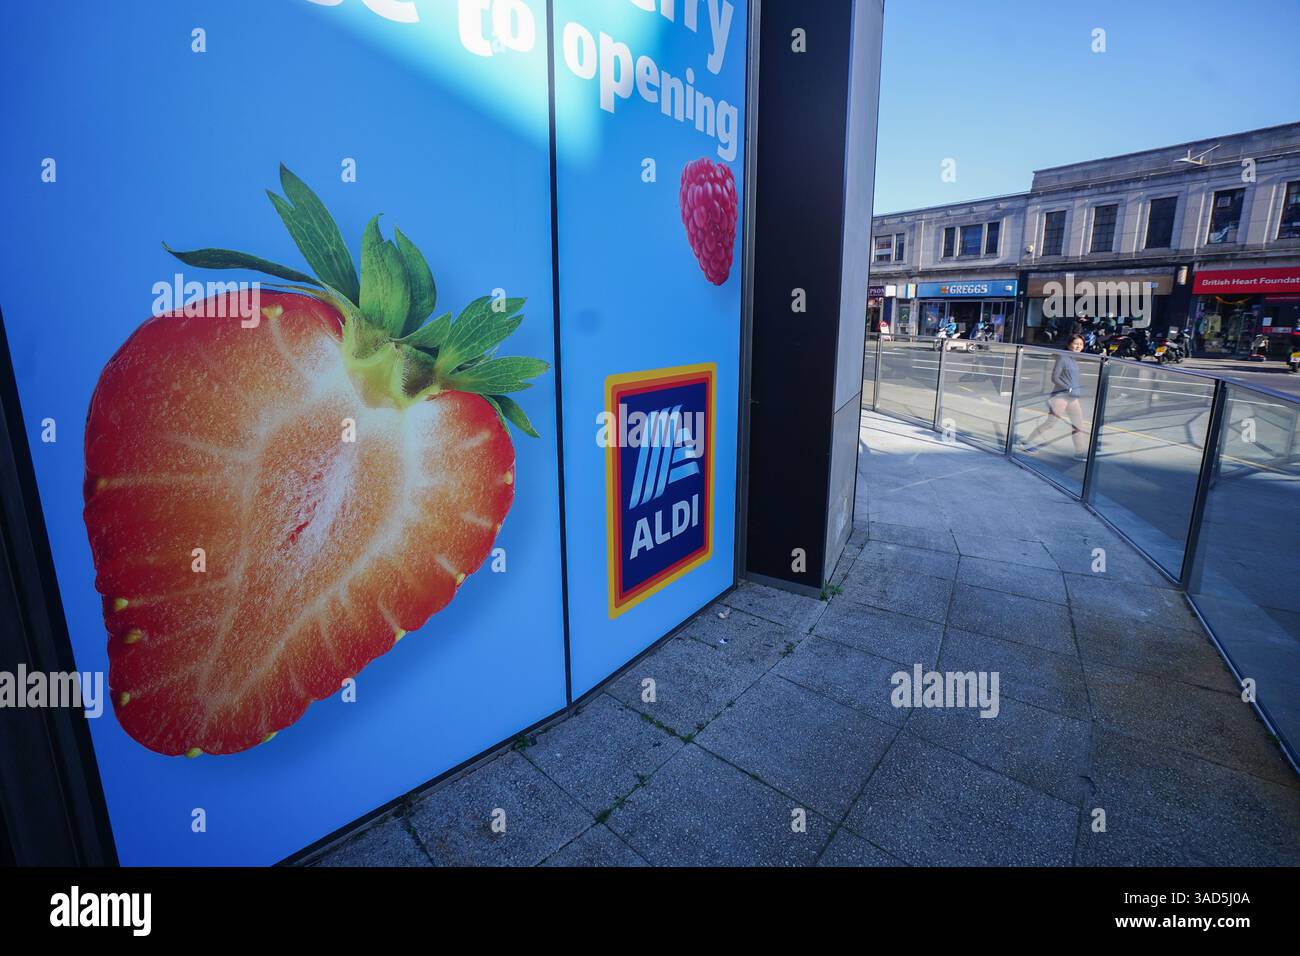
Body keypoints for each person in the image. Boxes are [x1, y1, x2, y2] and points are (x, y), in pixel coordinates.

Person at [1018, 334, 1089, 460]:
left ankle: (1079, 452)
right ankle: (1026, 442)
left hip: (1073, 397)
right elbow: (1054, 377)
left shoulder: (1073, 358)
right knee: (1051, 422)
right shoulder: (1062, 357)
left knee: (1078, 425)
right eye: (1076, 343)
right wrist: (1069, 388)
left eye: (1081, 344)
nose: (1078, 346)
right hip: (1060, 396)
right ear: (1069, 344)